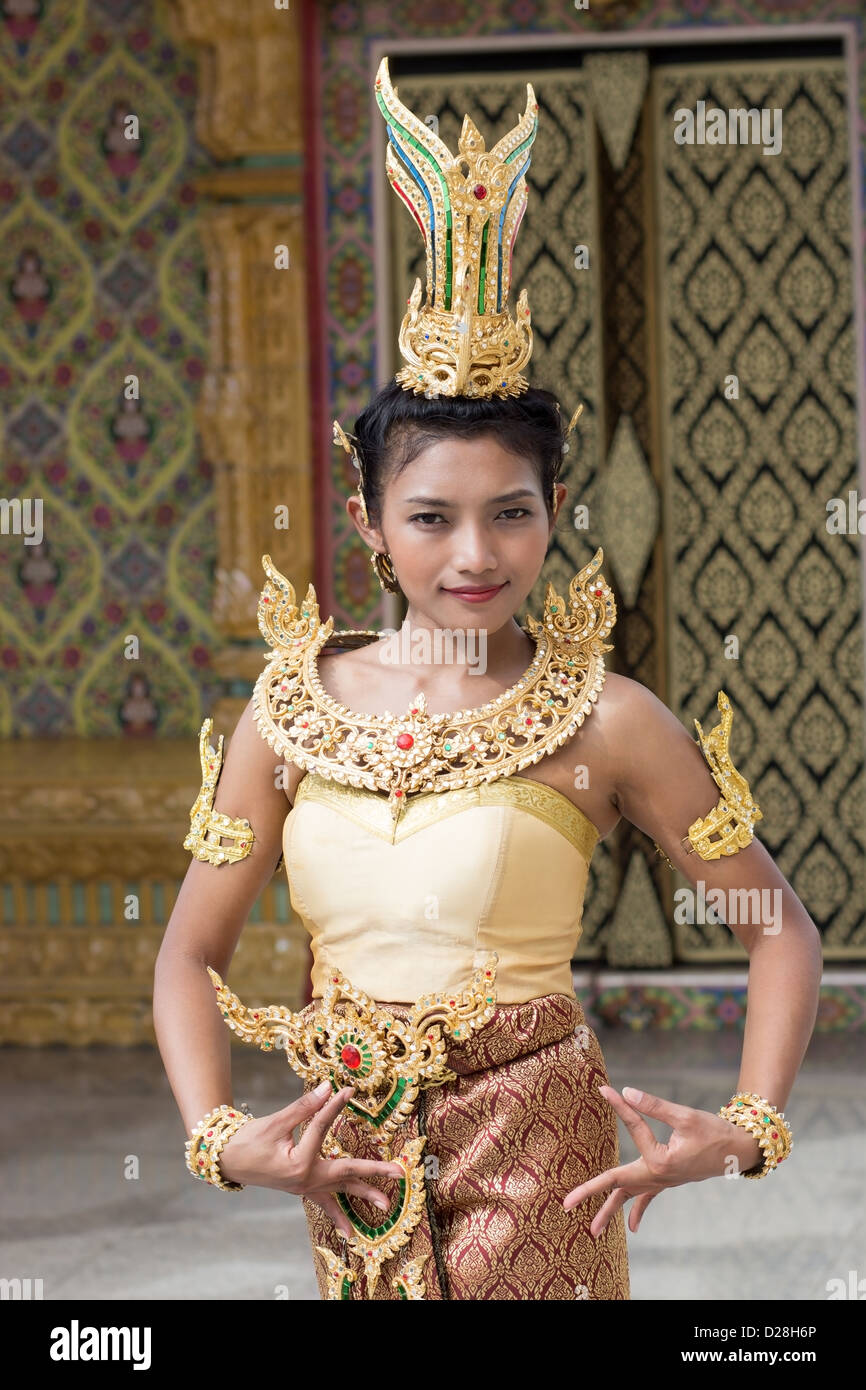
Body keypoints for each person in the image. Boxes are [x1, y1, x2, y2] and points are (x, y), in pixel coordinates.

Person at [153, 56, 821, 1301]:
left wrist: (747, 1122)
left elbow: (777, 926)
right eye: (430, 517)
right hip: (349, 1159)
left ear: (557, 507)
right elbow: (188, 951)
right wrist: (217, 1134)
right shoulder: (288, 713)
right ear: (365, 521)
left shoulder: (607, 720)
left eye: (510, 513)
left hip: (543, 1156)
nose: (474, 556)